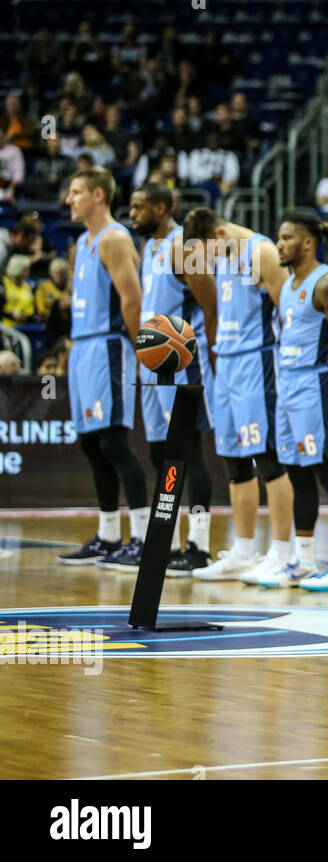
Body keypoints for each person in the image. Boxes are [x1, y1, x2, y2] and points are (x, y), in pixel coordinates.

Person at [182, 208, 296, 585]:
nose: (207, 260)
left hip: (257, 361)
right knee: (233, 460)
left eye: (207, 250)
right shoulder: (223, 252)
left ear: (219, 231)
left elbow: (289, 313)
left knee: (267, 456)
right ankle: (244, 552)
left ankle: (283, 553)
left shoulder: (262, 252)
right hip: (225, 364)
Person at [55, 168, 151, 571]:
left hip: (111, 347)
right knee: (92, 444)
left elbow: (132, 301)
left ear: (98, 195)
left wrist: (143, 354)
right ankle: (109, 536)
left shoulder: (114, 238)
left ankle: (145, 537)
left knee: (113, 441)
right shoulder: (82, 241)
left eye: (75, 192)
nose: (68, 200)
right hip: (85, 347)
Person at [127, 182, 217, 575]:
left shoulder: (186, 246)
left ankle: (198, 545)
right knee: (159, 452)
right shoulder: (150, 248)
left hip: (182, 361)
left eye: (138, 206)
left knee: (189, 452)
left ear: (163, 207)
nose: (132, 214)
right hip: (153, 361)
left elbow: (211, 302)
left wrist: (210, 352)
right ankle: (164, 539)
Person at [271, 213, 328, 591]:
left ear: (307, 243)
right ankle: (304, 559)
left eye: (286, 237)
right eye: (278, 237)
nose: (279, 244)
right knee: (297, 472)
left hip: (317, 383)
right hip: (288, 385)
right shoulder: (288, 284)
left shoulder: (327, 284)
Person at [2, 255, 33, 327]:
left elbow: (31, 308)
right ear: (18, 268)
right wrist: (10, 315)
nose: (28, 272)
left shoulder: (27, 286)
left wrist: (25, 316)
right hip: (5, 326)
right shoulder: (3, 283)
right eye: (26, 269)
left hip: (24, 326)